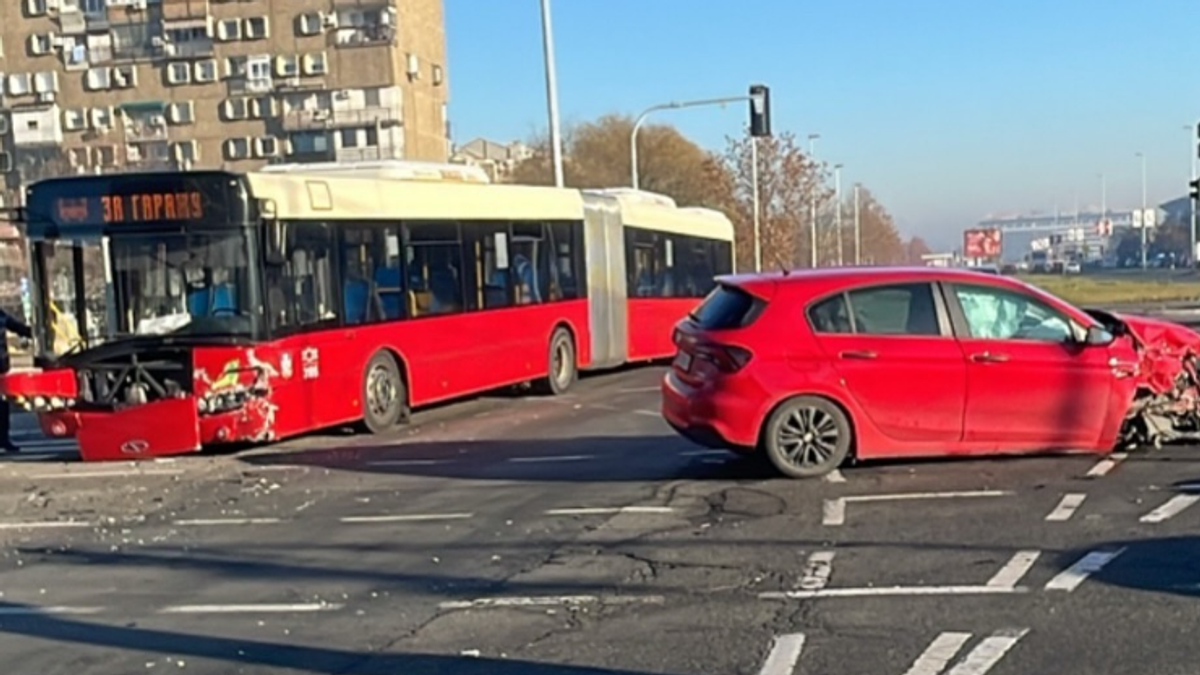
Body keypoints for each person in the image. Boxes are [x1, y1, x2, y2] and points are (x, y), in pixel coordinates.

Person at [0, 308, 34, 453]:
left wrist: (32, 332)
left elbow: (13, 325)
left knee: (2, 404)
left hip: (1, 365)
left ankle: (3, 438)